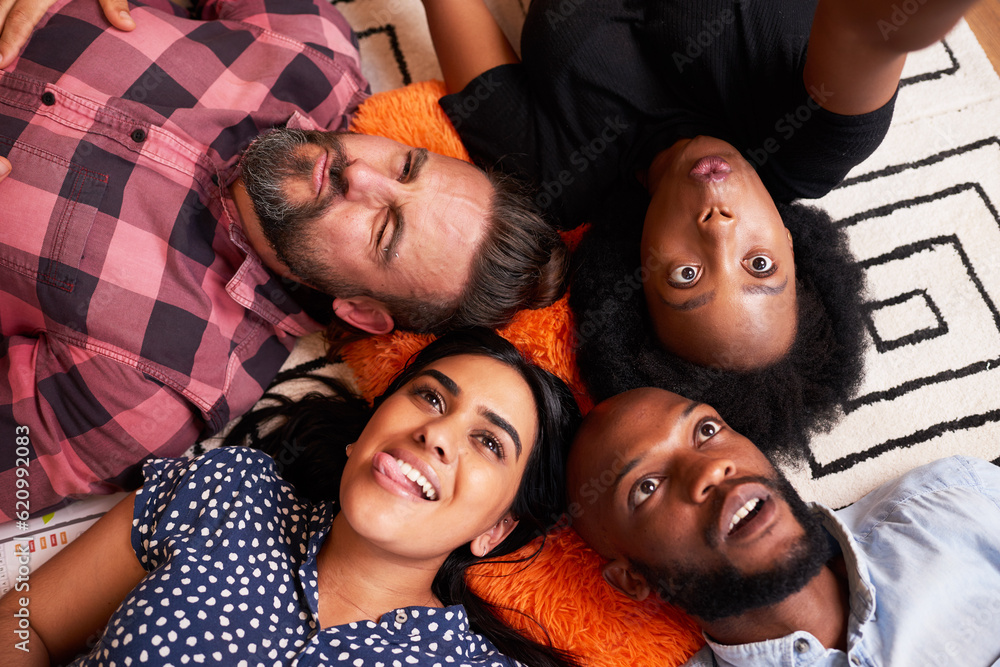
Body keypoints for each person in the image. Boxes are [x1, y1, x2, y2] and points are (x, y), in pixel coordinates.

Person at [0, 0, 567, 521]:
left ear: (363, 311)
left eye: (384, 227)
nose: (361, 175)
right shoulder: (314, 54)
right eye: (405, 167)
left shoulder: (158, 384)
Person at [420, 0, 981, 459]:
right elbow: (871, 30)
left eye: (688, 275)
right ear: (791, 245)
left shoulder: (555, 176)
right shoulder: (814, 137)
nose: (719, 230)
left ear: (640, 274)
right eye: (759, 265)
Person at [0, 328, 583, 666]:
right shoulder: (231, 489)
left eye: (488, 442)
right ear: (364, 435)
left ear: (495, 531)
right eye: (430, 398)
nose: (437, 433)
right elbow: (29, 625)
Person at [566, 387, 1000, 666]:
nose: (709, 471)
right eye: (646, 487)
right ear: (632, 578)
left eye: (707, 430)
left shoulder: (949, 505)